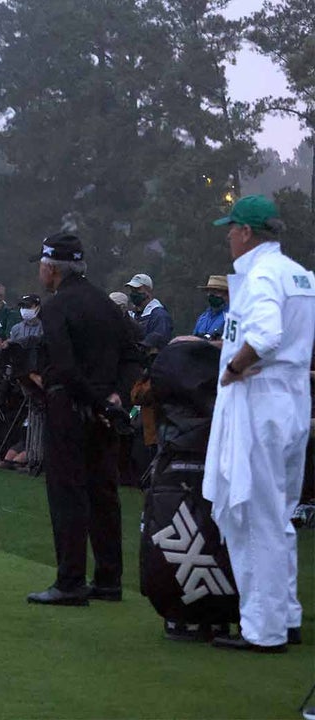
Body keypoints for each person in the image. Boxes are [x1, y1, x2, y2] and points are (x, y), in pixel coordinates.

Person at [203, 195, 315, 652]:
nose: (228, 236)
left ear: (246, 233)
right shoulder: (299, 273)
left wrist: (233, 370)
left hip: (261, 398)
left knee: (255, 516)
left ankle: (263, 629)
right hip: (290, 398)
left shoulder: (263, 274)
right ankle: (284, 615)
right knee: (279, 513)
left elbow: (265, 334)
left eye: (231, 230)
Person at [27, 234, 138, 606]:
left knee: (68, 493)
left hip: (70, 409)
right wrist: (115, 397)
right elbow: (135, 354)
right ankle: (108, 580)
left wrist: (99, 401)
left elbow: (64, 366)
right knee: (103, 493)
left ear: (51, 268)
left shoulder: (57, 307)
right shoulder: (107, 305)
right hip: (104, 413)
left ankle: (70, 581)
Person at [123, 273, 174, 346]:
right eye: (132, 289)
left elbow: (160, 341)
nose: (134, 293)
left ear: (148, 290)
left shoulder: (159, 315)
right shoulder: (130, 314)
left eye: (138, 289)